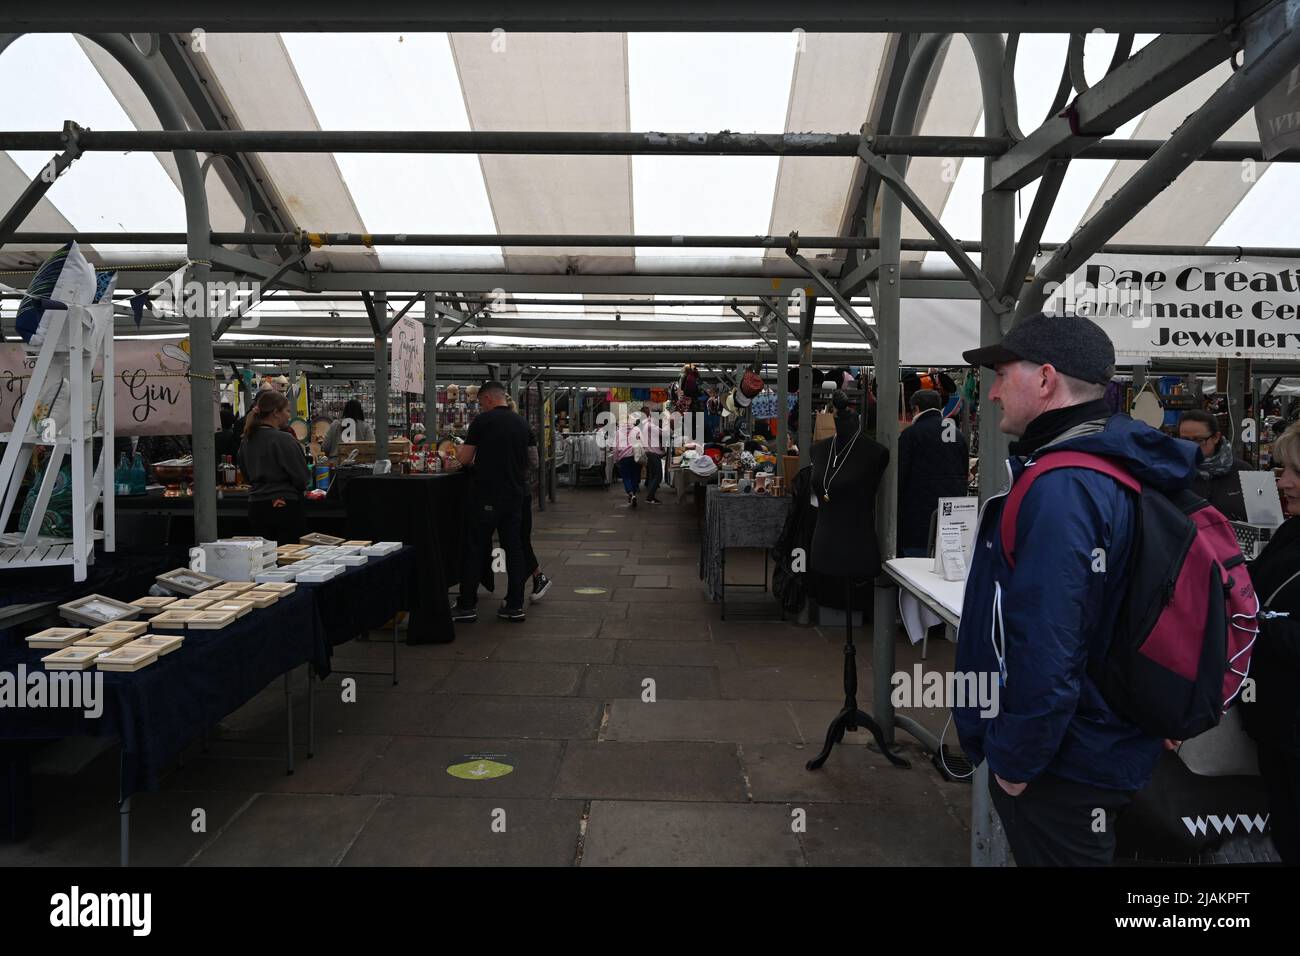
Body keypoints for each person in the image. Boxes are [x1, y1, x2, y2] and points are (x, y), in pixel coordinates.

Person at [953, 312, 1197, 867]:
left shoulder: (1064, 484)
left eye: (1001, 375)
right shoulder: (1116, 463)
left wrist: (1016, 762)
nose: (992, 394)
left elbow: (1048, 643)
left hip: (1069, 761)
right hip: (1110, 736)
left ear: (1044, 379)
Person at [1240, 420, 1300, 863]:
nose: (1283, 482)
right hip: (1276, 726)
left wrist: (1259, 624)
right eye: (1282, 470)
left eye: (1295, 472)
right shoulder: (1292, 531)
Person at [452, 381, 531, 623]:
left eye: (480, 401)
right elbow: (533, 461)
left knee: (476, 548)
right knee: (514, 550)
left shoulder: (482, 422)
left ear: (487, 399)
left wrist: (460, 452)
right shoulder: (522, 422)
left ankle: (467, 606)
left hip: (485, 496)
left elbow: (464, 459)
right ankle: (514, 605)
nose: (480, 405)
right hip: (514, 497)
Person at [896, 388, 969, 558]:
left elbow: (899, 477)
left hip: (918, 513)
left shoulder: (910, 435)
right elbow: (964, 472)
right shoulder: (958, 435)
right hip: (952, 513)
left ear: (916, 408)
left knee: (916, 563)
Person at [237, 389, 310, 544]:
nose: (289, 416)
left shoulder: (246, 440)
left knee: (264, 557)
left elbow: (245, 473)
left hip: (255, 505)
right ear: (276, 413)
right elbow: (302, 477)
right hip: (283, 505)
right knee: (288, 555)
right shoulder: (284, 439)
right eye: (287, 411)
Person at [1177, 409, 1251, 521]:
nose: (1190, 446)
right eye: (1184, 440)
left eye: (1199, 440)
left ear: (1216, 437)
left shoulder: (1243, 472)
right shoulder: (1174, 472)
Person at [613, 412, 643, 508]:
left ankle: (630, 492)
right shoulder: (637, 429)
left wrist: (615, 459)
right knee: (635, 476)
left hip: (623, 457)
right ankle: (634, 494)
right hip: (635, 456)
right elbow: (642, 442)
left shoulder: (618, 432)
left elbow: (615, 447)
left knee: (626, 477)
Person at [640, 405, 666, 504]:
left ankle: (651, 496)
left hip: (649, 452)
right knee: (658, 475)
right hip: (653, 453)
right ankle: (650, 497)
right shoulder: (649, 425)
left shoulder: (643, 425)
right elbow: (662, 433)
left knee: (653, 475)